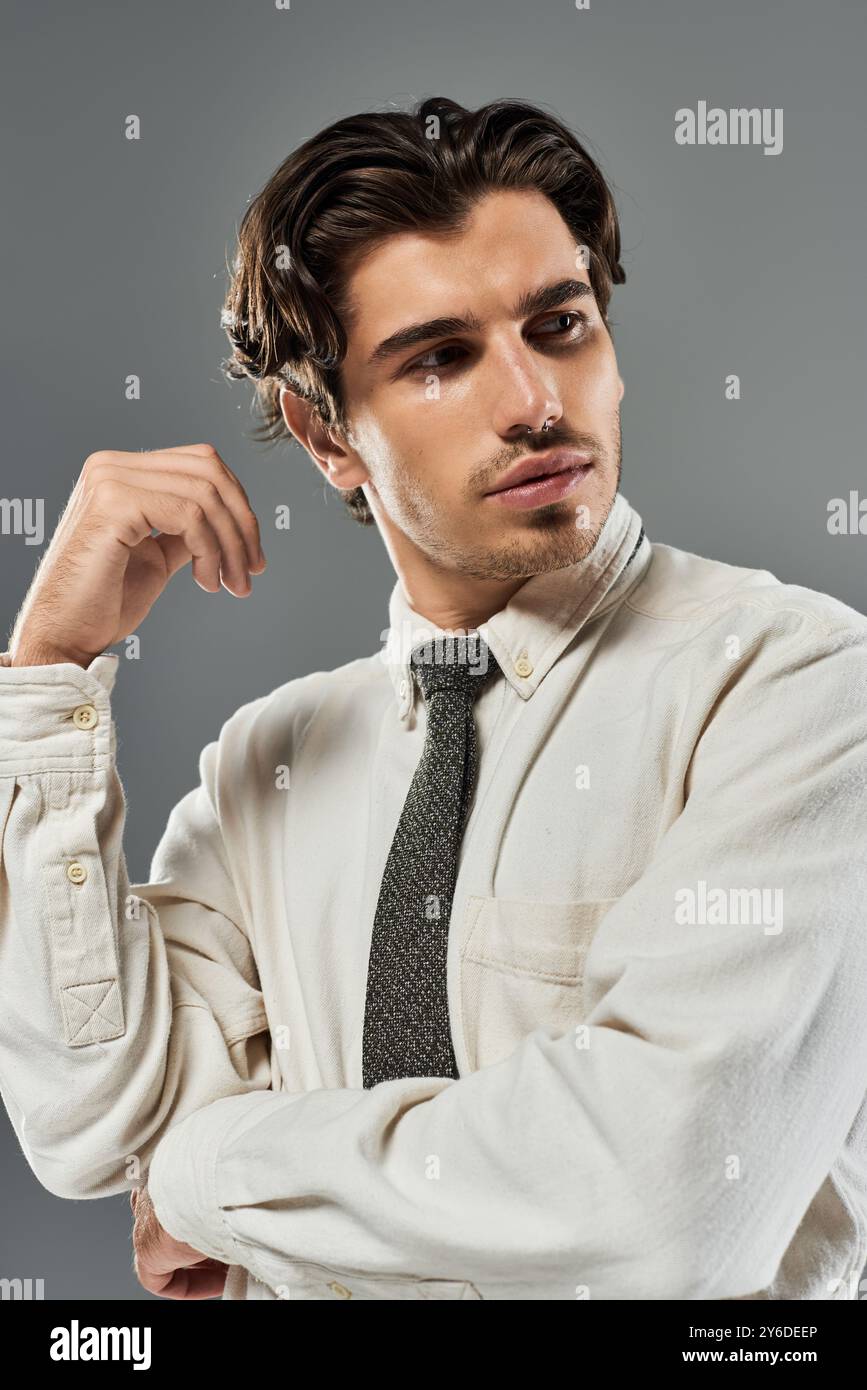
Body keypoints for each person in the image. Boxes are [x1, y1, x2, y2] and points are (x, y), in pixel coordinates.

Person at [1, 96, 866, 1303]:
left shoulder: (796, 687)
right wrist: (47, 672)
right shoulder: (272, 763)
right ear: (325, 435)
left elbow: (661, 1215)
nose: (533, 400)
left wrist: (208, 1173)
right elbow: (88, 1122)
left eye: (561, 326)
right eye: (441, 357)